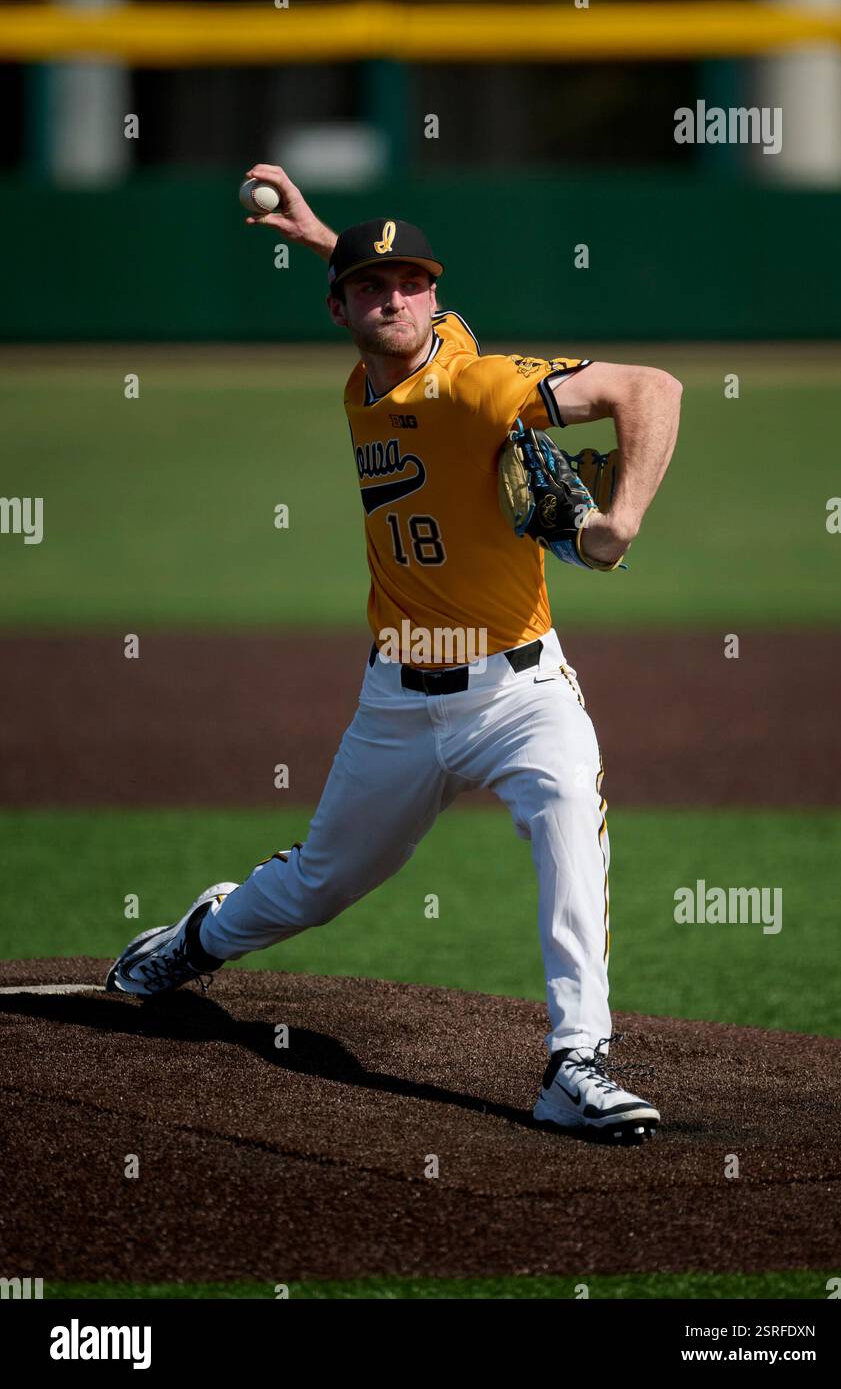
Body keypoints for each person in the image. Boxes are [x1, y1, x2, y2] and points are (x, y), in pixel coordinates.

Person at [107, 164, 682, 1143]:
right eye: (373, 286)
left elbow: (650, 387)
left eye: (413, 282)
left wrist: (618, 520)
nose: (396, 297)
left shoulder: (474, 382)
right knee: (317, 885)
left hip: (521, 690)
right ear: (338, 310)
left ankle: (574, 1064)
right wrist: (315, 229)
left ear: (437, 299)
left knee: (568, 843)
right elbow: (376, 294)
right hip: (398, 705)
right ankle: (196, 937)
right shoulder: (372, 379)